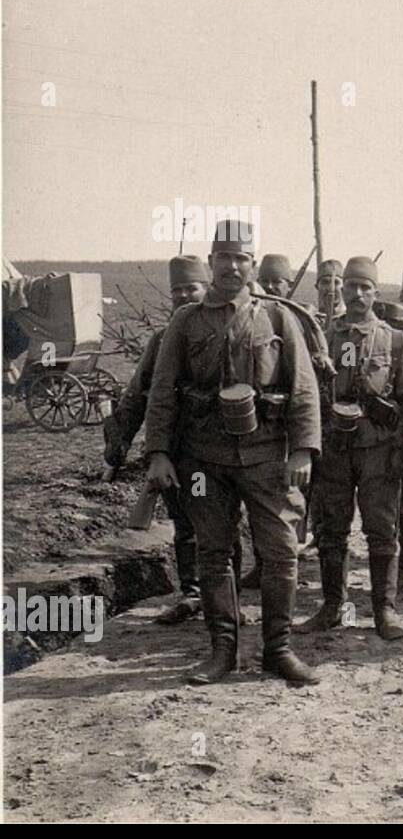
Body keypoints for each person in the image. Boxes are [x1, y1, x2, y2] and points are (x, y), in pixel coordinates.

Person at [143, 221, 321, 685]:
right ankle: (223, 651)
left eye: (242, 258)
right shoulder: (186, 321)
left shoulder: (279, 318)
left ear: (254, 266)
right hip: (204, 458)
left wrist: (303, 449)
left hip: (267, 455)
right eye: (225, 258)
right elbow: (161, 392)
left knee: (281, 552)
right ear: (211, 263)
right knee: (214, 552)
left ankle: (278, 650)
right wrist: (158, 453)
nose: (233, 266)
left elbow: (303, 388)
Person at [104, 255, 245, 624]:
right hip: (174, 449)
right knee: (184, 524)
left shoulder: (229, 330)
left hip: (214, 451)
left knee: (221, 523)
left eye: (191, 288)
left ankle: (231, 602)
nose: (184, 295)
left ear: (206, 287)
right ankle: (192, 594)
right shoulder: (162, 339)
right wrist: (119, 443)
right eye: (177, 290)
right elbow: (139, 393)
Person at [298, 257, 403, 640]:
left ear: (376, 291)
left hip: (377, 451)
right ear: (340, 290)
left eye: (365, 287)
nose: (356, 294)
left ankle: (384, 609)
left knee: (382, 531)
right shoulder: (322, 337)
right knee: (331, 529)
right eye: (349, 286)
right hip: (334, 449)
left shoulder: (395, 340)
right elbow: (306, 390)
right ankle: (334, 606)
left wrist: (400, 440)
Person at [314, 259, 345, 327]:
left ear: (344, 287)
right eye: (325, 282)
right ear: (317, 287)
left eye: (336, 282)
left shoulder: (351, 320)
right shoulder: (311, 322)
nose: (331, 288)